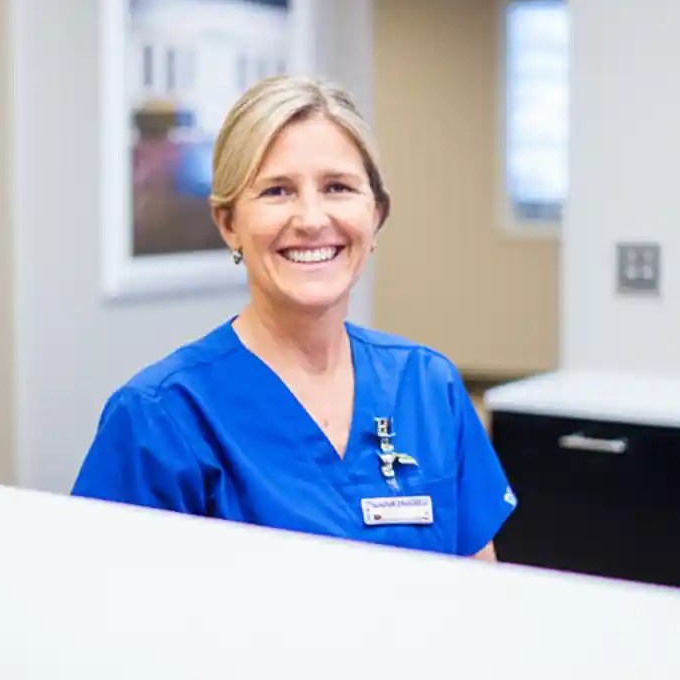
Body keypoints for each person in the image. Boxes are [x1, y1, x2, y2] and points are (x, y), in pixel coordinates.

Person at [72, 75, 517, 560]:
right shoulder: (160, 416)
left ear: (376, 216)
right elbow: (106, 610)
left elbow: (482, 591)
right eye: (277, 191)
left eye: (338, 187)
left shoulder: (429, 387)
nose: (310, 219)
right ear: (229, 224)